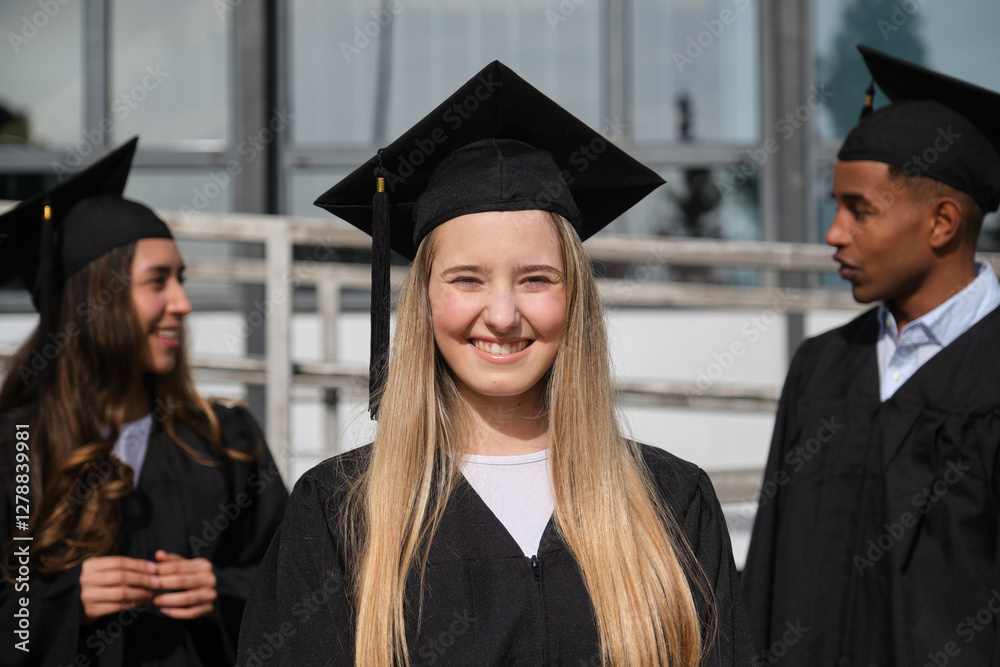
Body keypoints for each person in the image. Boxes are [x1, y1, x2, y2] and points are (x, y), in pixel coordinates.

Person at [238, 61, 752, 666]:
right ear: (424, 301)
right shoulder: (341, 515)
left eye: (536, 279)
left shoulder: (669, 503)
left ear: (575, 298)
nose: (503, 315)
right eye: (467, 280)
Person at [743, 46, 1000, 665]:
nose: (833, 232)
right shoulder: (822, 367)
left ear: (942, 222)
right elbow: (769, 577)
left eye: (860, 210)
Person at [0, 138, 289, 666]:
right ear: (95, 301)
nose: (183, 303)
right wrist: (63, 602)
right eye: (158, 282)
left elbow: (300, 586)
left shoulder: (225, 440)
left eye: (180, 279)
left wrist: (220, 589)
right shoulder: (14, 451)